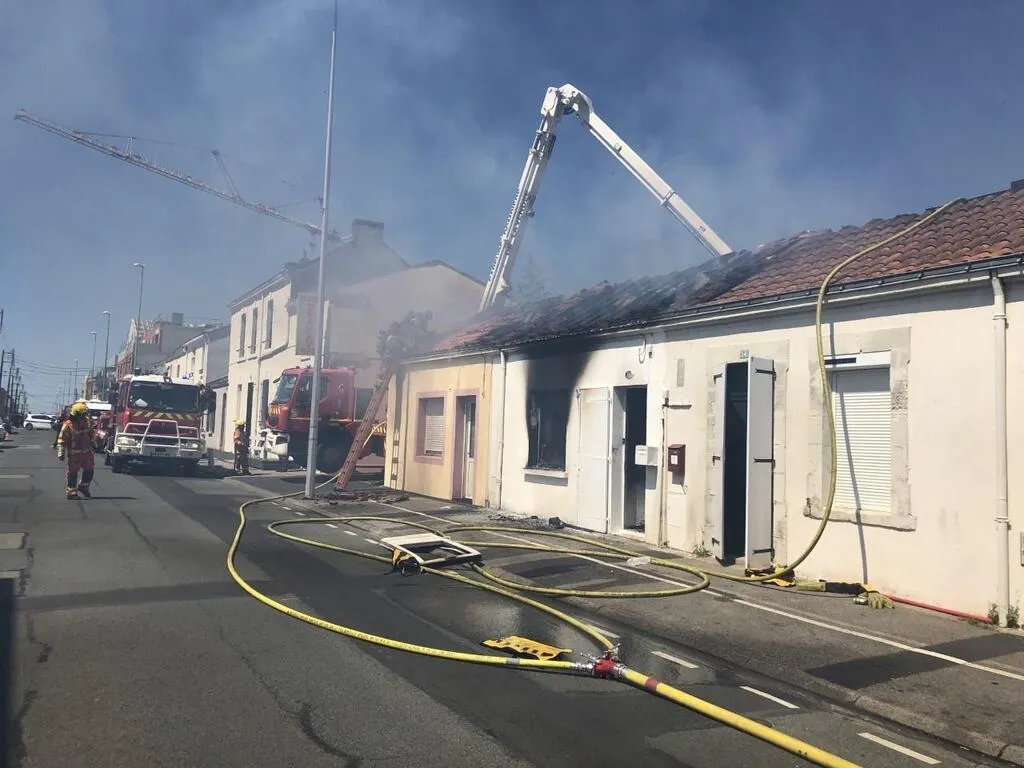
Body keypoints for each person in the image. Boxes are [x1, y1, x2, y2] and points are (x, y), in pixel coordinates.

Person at [57, 401, 97, 499]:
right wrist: (61, 453)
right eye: (83, 413)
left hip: (87, 453)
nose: (85, 415)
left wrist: (94, 444)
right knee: (72, 473)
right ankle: (71, 493)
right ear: (77, 413)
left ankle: (83, 487)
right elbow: (62, 440)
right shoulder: (68, 425)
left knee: (89, 471)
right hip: (75, 454)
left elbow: (91, 434)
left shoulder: (87, 422)